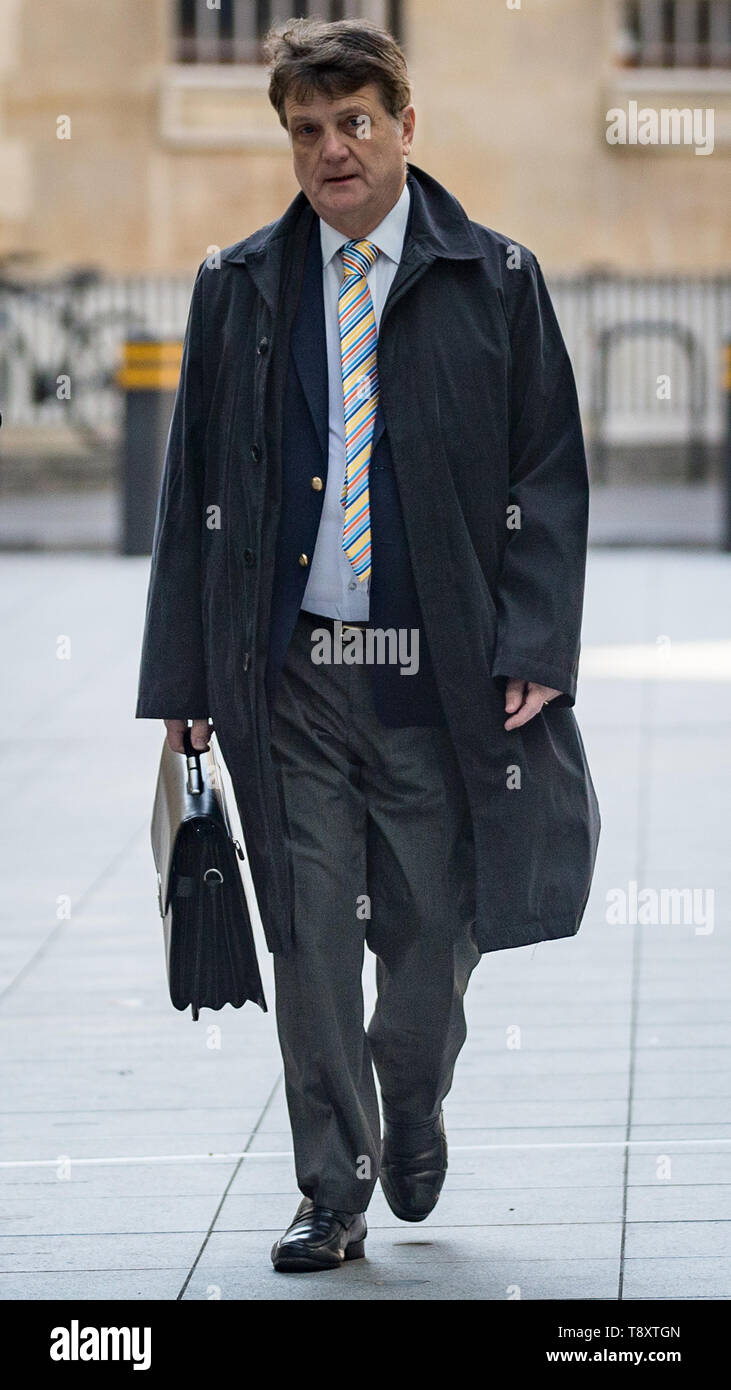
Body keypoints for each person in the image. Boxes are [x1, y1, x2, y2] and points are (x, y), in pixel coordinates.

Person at [136, 17, 600, 1274]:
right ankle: (330, 1188)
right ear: (286, 141)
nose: (330, 151)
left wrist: (537, 640)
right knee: (313, 939)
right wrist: (183, 678)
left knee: (428, 936)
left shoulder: (494, 279)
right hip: (289, 679)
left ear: (405, 124)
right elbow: (188, 498)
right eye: (305, 130)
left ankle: (416, 1093)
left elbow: (547, 477)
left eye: (353, 123)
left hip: (438, 676)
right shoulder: (238, 286)